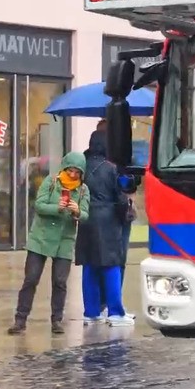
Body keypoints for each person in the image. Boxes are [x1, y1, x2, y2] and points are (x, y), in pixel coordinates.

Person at [8, 152, 90, 336]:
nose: (73, 175)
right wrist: (57, 208)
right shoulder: (51, 182)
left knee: (60, 282)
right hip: (41, 238)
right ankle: (20, 320)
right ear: (64, 168)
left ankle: (57, 320)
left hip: (65, 240)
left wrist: (77, 211)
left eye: (77, 172)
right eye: (70, 170)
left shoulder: (83, 190)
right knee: (31, 279)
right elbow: (39, 205)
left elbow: (85, 214)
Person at [75, 131, 134, 327]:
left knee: (89, 266)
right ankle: (115, 312)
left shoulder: (81, 167)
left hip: (86, 219)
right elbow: (121, 199)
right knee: (112, 265)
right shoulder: (111, 169)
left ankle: (91, 312)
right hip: (108, 220)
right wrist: (125, 215)